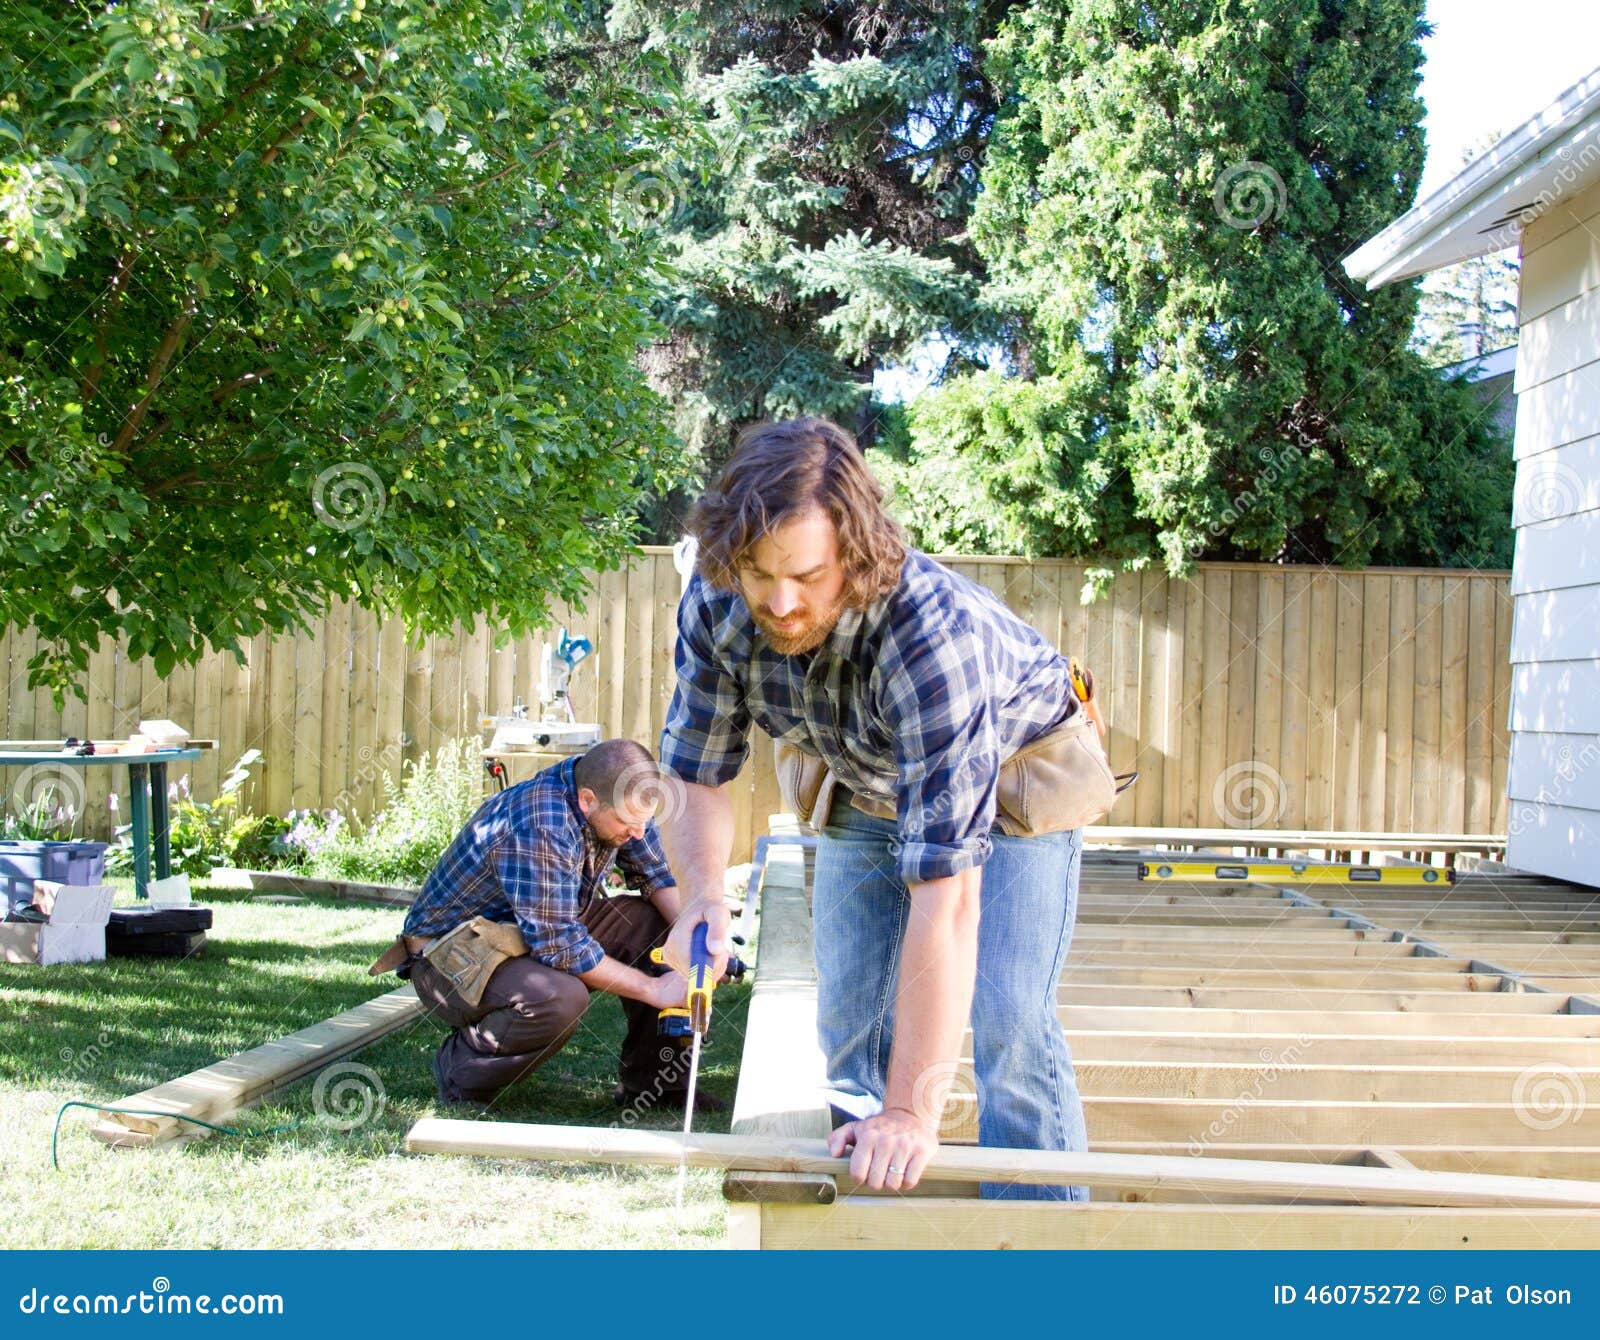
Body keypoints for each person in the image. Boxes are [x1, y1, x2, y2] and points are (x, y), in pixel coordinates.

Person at [657, 416, 1091, 1200]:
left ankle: (1042, 1247)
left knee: (1010, 1023)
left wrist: (911, 1109)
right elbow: (695, 775)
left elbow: (948, 899)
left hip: (1018, 782)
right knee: (852, 1021)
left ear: (854, 554)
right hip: (864, 776)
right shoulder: (717, 607)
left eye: (808, 576)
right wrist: (701, 900)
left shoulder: (930, 636)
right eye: (759, 572)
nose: (781, 602)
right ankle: (869, 1227)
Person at [378, 738, 708, 1112]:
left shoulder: (618, 799)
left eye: (642, 823)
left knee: (658, 928)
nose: (636, 833)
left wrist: (697, 943)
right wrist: (655, 989)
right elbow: (560, 945)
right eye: (627, 824)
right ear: (587, 800)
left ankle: (656, 1086)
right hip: (450, 956)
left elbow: (656, 876)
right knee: (558, 997)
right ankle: (461, 1070)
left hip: (522, 932)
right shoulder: (541, 822)